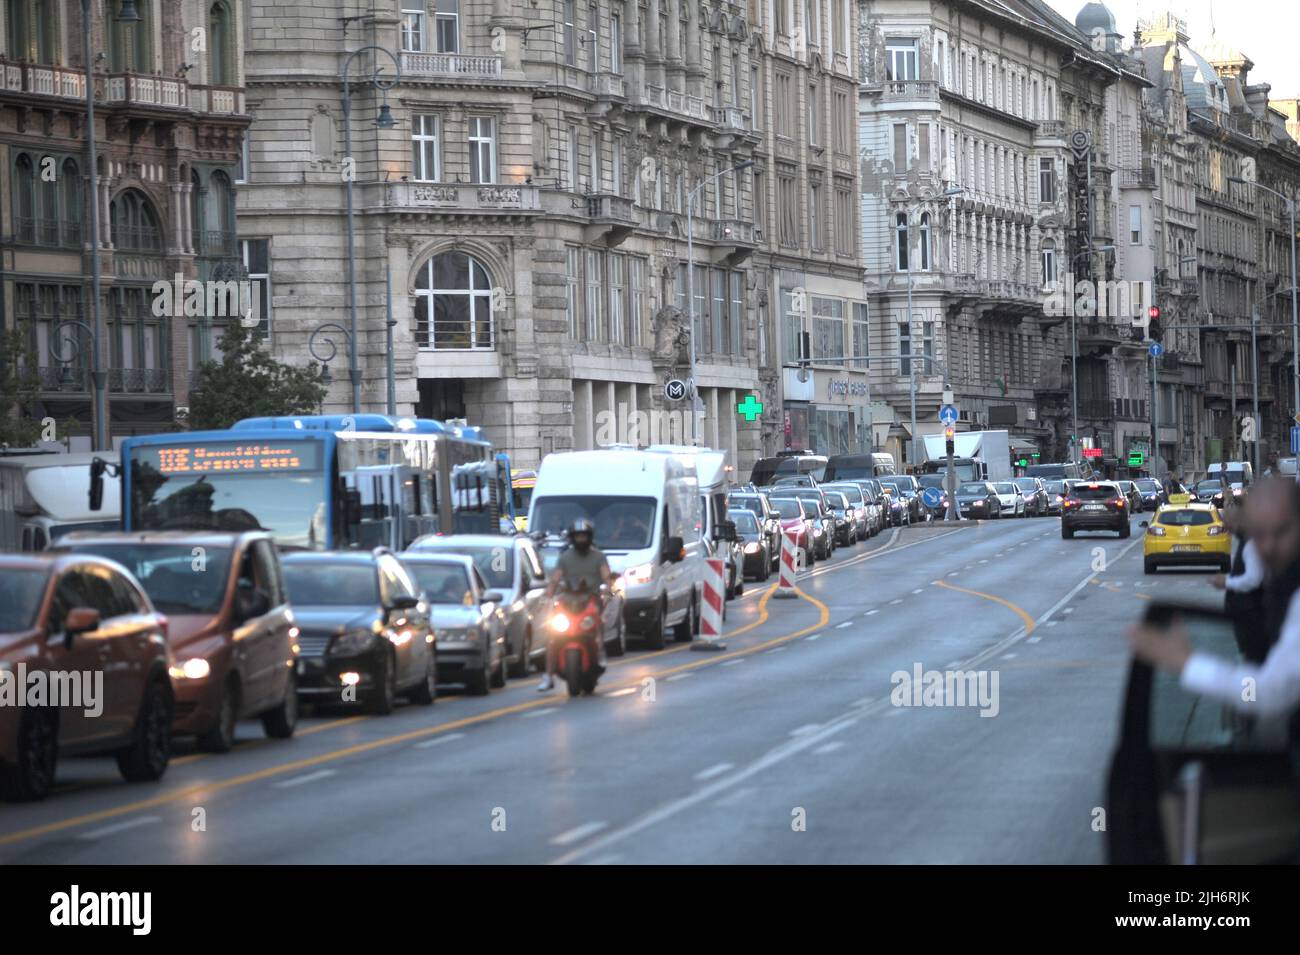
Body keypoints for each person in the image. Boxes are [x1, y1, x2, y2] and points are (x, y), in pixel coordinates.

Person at [1129, 478, 1300, 720]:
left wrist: (1186, 662)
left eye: (1282, 531)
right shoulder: (1283, 582)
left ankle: (1247, 720)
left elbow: (1271, 692)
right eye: (1260, 534)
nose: (1269, 546)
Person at [538, 518, 613, 692]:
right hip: (567, 601)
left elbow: (607, 579)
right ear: (573, 538)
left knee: (598, 627)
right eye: (577, 536)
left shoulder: (599, 557)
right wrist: (547, 597)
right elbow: (555, 580)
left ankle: (599, 654)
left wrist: (607, 597)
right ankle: (549, 675)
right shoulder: (565, 558)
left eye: (584, 536)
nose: (581, 539)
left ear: (589, 537)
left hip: (591, 600)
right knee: (553, 637)